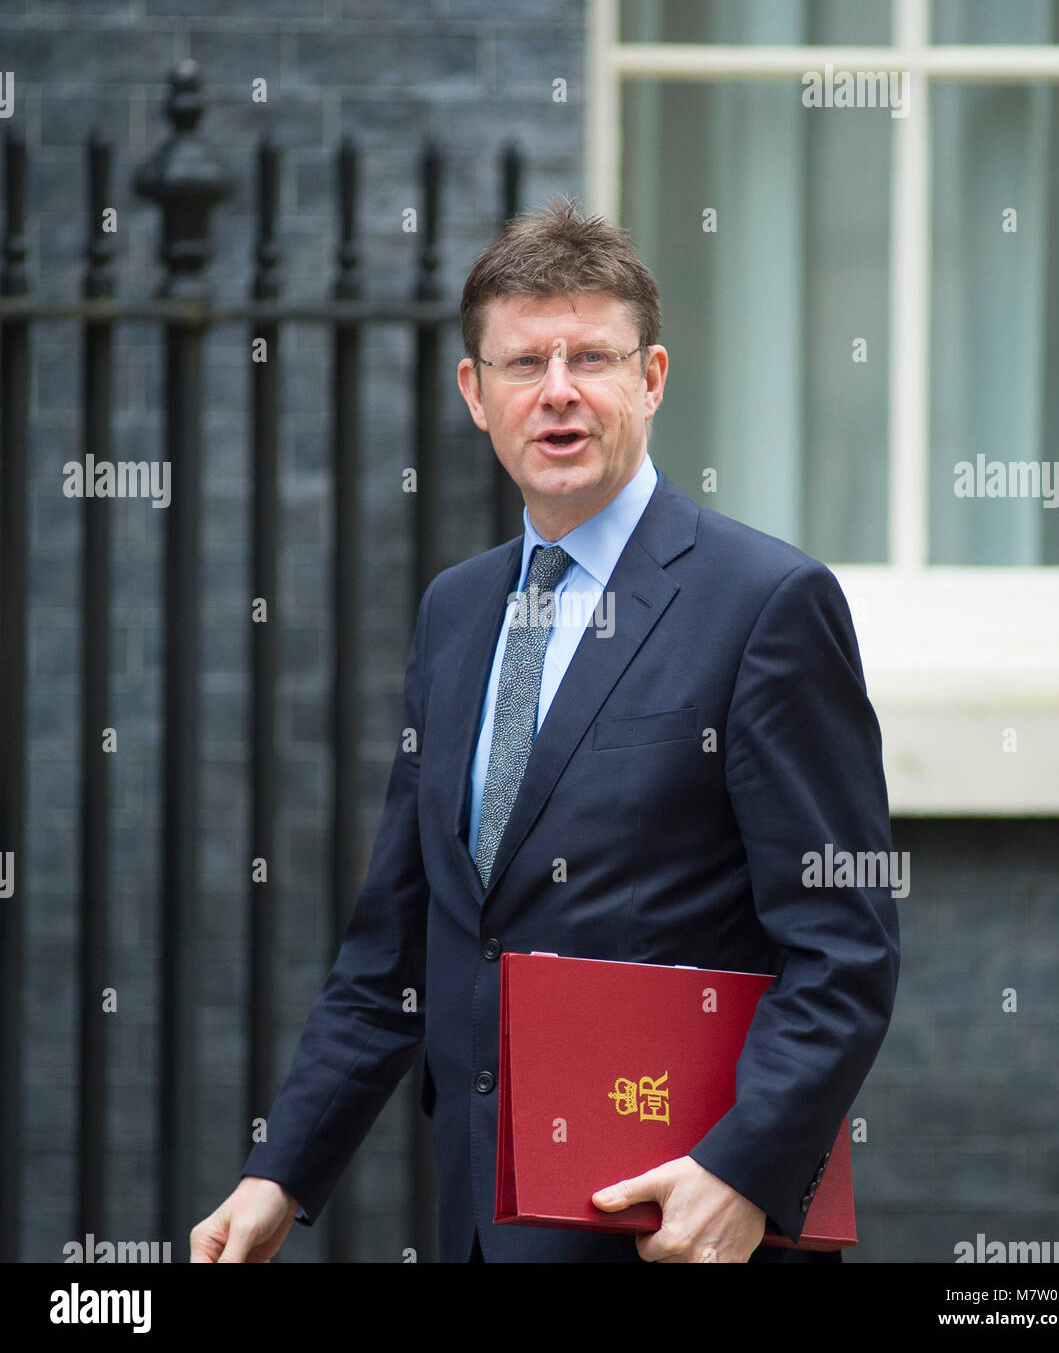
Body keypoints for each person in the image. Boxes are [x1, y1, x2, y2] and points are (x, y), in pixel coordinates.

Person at [190, 198, 900, 1264]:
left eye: (592, 358)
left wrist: (745, 1168)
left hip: (684, 1229)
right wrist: (281, 1170)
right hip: (485, 1224)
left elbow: (845, 946)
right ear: (476, 395)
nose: (558, 391)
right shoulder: (456, 610)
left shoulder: (766, 602)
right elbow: (398, 945)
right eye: (524, 363)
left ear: (651, 379)